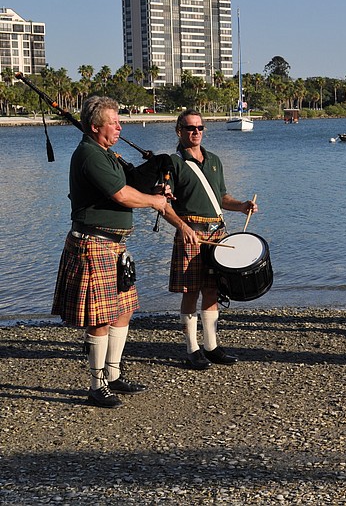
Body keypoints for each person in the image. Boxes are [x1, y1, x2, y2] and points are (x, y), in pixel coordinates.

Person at [52, 96, 170, 408]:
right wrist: (155, 202)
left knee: (123, 310)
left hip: (114, 245)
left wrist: (154, 188)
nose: (120, 127)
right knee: (101, 318)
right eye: (113, 123)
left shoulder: (104, 153)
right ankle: (96, 384)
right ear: (95, 126)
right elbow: (121, 195)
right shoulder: (89, 155)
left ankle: (114, 374)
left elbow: (129, 184)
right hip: (93, 243)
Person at [161, 110, 257, 370]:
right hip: (190, 233)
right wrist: (181, 227)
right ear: (179, 130)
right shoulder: (172, 162)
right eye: (190, 127)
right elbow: (163, 205)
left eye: (200, 127)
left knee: (213, 290)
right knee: (190, 292)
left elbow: (222, 198)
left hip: (217, 233)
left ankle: (211, 346)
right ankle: (192, 349)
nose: (196, 132)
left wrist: (243, 206)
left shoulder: (214, 160)